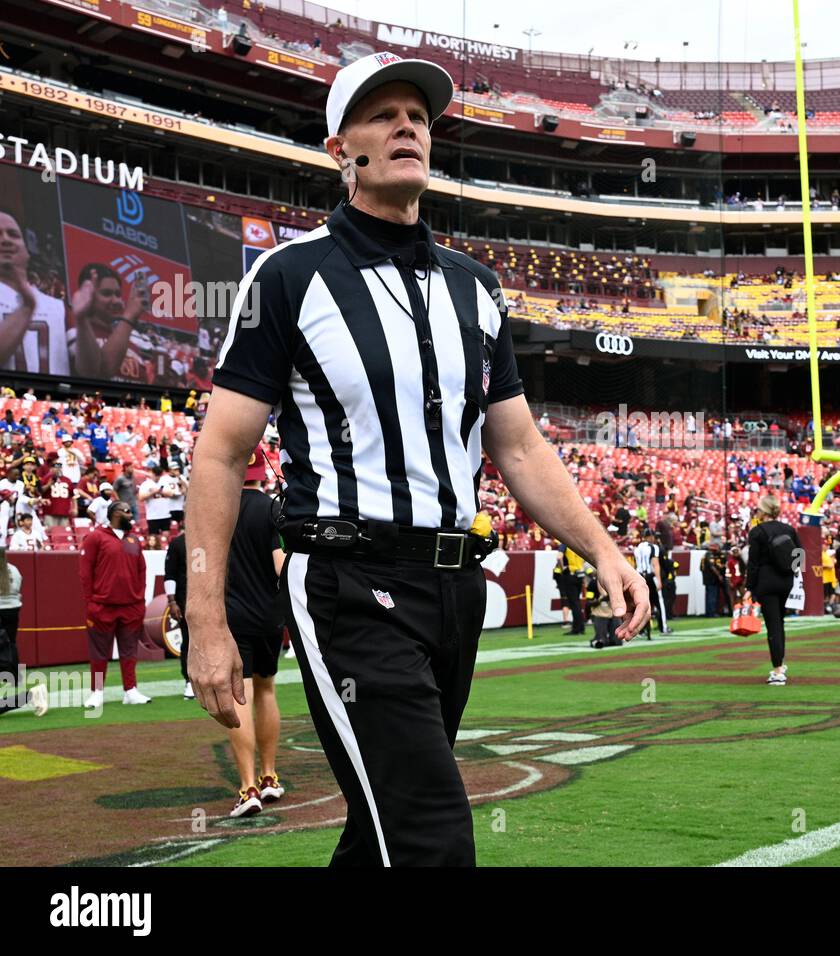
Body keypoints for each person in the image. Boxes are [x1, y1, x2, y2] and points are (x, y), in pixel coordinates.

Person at [186, 51, 648, 867]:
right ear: (340, 148)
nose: (409, 126)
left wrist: (602, 547)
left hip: (454, 588)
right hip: (348, 582)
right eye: (383, 113)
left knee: (383, 831)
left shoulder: (475, 286)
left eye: (420, 116)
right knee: (431, 832)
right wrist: (206, 617)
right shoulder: (286, 277)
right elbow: (220, 456)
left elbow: (518, 443)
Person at [222, 445, 289, 818]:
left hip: (232, 617)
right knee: (266, 689)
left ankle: (248, 786)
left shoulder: (219, 508)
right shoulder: (271, 508)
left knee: (239, 695)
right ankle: (269, 775)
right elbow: (282, 568)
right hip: (269, 616)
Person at [79, 499, 151, 707]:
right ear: (115, 513)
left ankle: (130, 690)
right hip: (102, 607)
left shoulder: (134, 540)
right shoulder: (95, 538)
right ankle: (97, 692)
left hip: (131, 607)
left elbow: (141, 571)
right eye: (127, 512)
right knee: (99, 652)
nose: (131, 515)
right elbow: (85, 573)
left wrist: (139, 600)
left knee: (129, 651)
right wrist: (91, 603)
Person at [0, 209, 72, 376]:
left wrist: (84, 320)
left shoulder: (58, 307)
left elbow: (92, 371)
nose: (5, 240)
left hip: (56, 400)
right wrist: (27, 308)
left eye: (13, 234)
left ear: (27, 250)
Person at [743, 496, 798, 685]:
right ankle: (780, 664)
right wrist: (792, 572)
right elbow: (800, 554)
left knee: (773, 625)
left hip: (766, 582)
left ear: (763, 511)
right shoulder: (789, 529)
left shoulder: (757, 532)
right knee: (779, 622)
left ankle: (777, 670)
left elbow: (753, 563)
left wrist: (749, 587)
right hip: (786, 580)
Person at [0, 545, 47, 717]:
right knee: (10, 645)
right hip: (13, 610)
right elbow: (18, 588)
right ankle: (21, 684)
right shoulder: (14, 570)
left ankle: (28, 692)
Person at [163, 526, 193, 700]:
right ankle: (189, 681)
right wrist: (172, 601)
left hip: (211, 598)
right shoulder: (178, 543)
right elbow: (170, 574)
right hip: (186, 599)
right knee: (189, 640)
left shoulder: (210, 539)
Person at [634, 528, 669, 636]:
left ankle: (640, 630)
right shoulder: (653, 547)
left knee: (641, 604)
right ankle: (663, 627)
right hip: (650, 577)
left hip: (639, 577)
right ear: (651, 537)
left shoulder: (637, 548)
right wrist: (659, 580)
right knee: (659, 602)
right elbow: (655, 564)